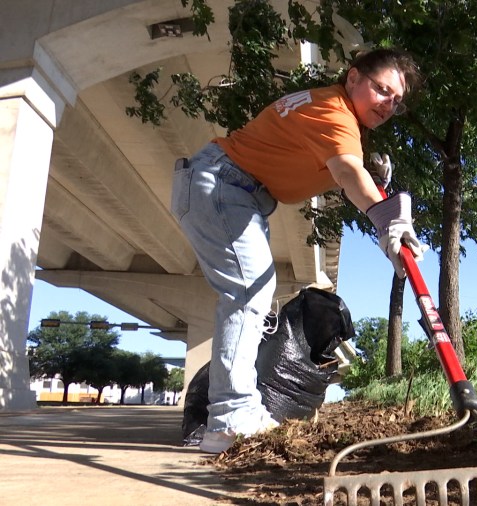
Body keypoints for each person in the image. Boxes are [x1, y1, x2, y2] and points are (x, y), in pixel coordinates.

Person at [170, 48, 426, 454]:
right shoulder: (334, 112)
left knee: (250, 292)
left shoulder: (332, 113)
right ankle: (231, 420)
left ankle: (232, 415)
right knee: (249, 293)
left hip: (230, 188)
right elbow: (346, 171)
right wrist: (387, 218)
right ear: (354, 78)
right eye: (382, 90)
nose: (388, 105)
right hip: (224, 185)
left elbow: (342, 168)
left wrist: (374, 188)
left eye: (396, 100)